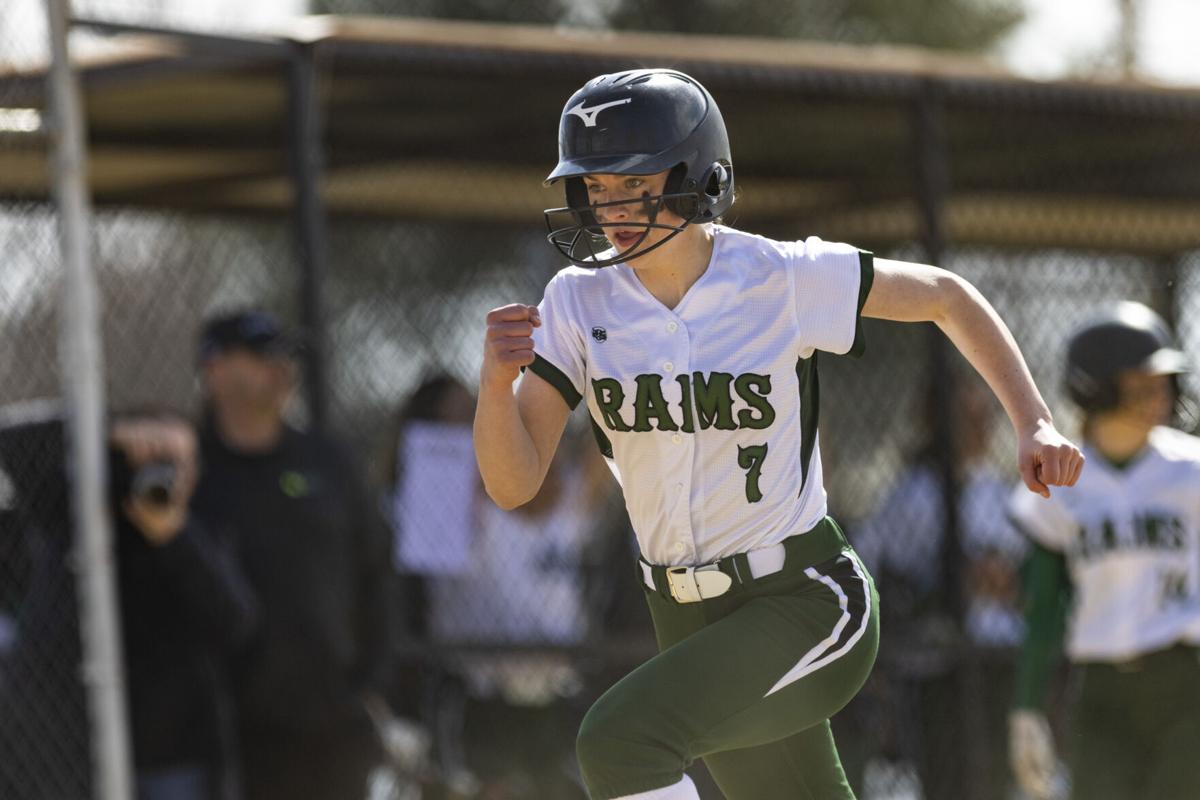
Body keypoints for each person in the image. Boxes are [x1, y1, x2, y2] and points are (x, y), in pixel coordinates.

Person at [473, 68, 1084, 800]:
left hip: (805, 598)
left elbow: (946, 297)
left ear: (698, 174)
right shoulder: (577, 302)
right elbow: (513, 484)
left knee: (620, 742)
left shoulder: (780, 276)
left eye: (635, 181)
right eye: (597, 187)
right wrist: (494, 382)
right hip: (682, 610)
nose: (614, 207)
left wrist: (1033, 421)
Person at [0, 404, 257, 800]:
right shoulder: (74, 516)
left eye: (180, 462)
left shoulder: (203, 529)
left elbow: (237, 620)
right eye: (154, 458)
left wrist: (174, 536)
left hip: (170, 755)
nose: (167, 473)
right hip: (74, 749)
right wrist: (103, 433)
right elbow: (13, 442)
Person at [190, 309, 394, 800]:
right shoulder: (190, 473)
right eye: (260, 356)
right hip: (227, 736)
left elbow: (378, 573)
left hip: (334, 722)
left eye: (285, 356)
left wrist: (371, 683)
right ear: (214, 369)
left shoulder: (330, 462)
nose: (280, 369)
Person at [1008, 301, 1200, 800]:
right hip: (1102, 691)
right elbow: (1044, 608)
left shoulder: (1191, 469)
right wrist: (1027, 707)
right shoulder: (1059, 478)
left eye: (1163, 381)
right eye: (1142, 383)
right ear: (1095, 388)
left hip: (1186, 683)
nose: (1161, 394)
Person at [849, 374, 1028, 800]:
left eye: (985, 419)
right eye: (968, 420)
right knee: (947, 779)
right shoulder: (912, 493)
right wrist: (942, 585)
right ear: (938, 423)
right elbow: (872, 571)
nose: (982, 429)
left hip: (1000, 652)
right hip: (937, 664)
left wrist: (1002, 578)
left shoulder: (997, 489)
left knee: (1000, 775)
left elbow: (1024, 571)